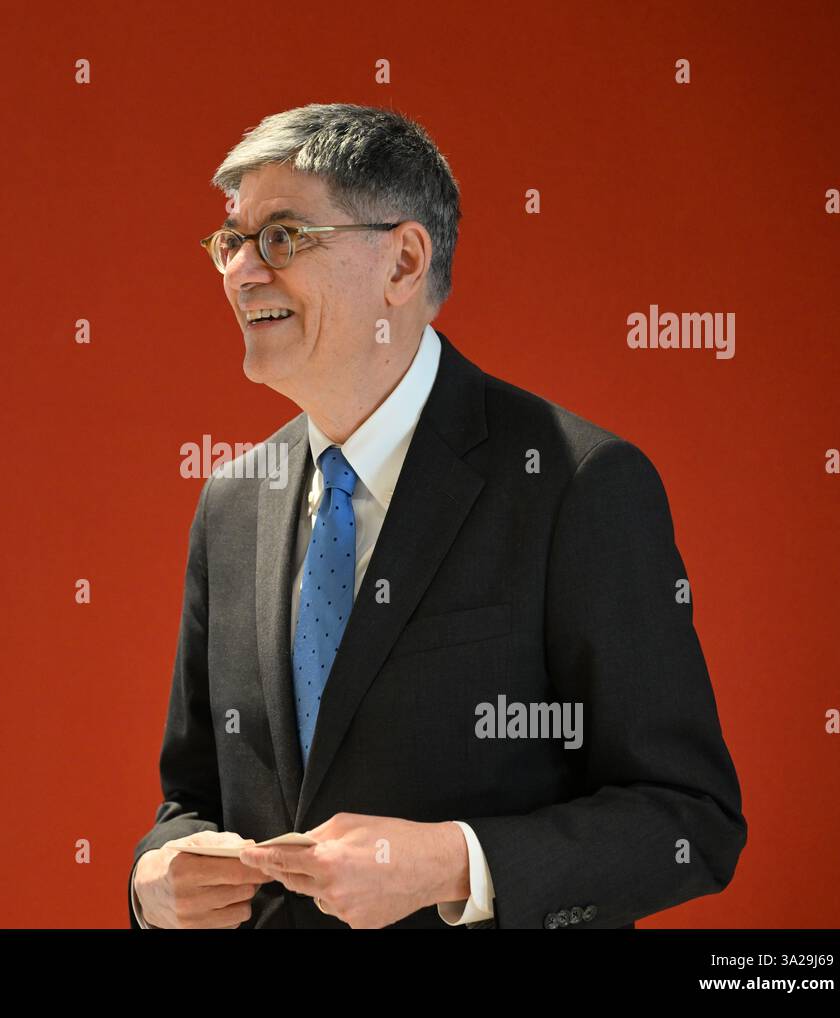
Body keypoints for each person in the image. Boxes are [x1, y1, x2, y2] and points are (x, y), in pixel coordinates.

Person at [130, 103, 746, 929]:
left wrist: (458, 864)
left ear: (403, 261)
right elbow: (192, 798)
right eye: (231, 241)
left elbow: (691, 819)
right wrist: (153, 884)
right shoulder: (234, 500)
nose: (240, 271)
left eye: (281, 236)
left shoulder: (578, 483)